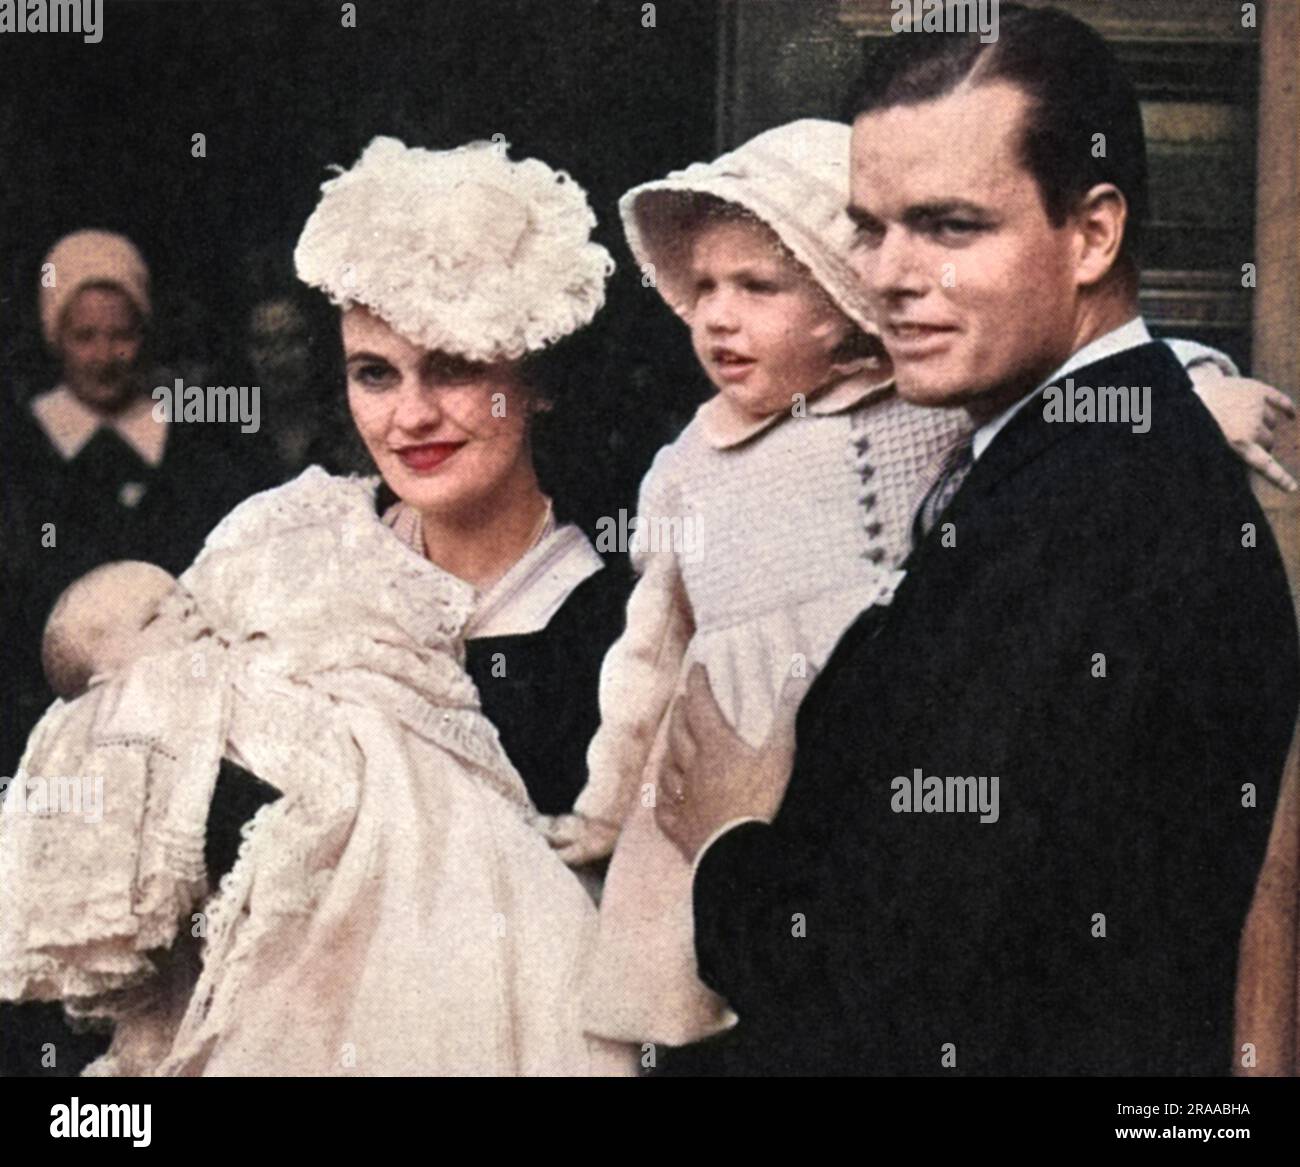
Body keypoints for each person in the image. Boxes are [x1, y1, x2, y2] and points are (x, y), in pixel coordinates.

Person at [656, 6, 1300, 1075]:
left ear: (1091, 233)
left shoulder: (1088, 512)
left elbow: (902, 994)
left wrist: (729, 843)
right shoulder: (1083, 452)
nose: (892, 276)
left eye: (951, 227)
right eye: (870, 227)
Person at [0, 136, 635, 1076]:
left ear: (535, 377)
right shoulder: (284, 547)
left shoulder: (614, 630)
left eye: (452, 367)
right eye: (374, 372)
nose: (408, 415)